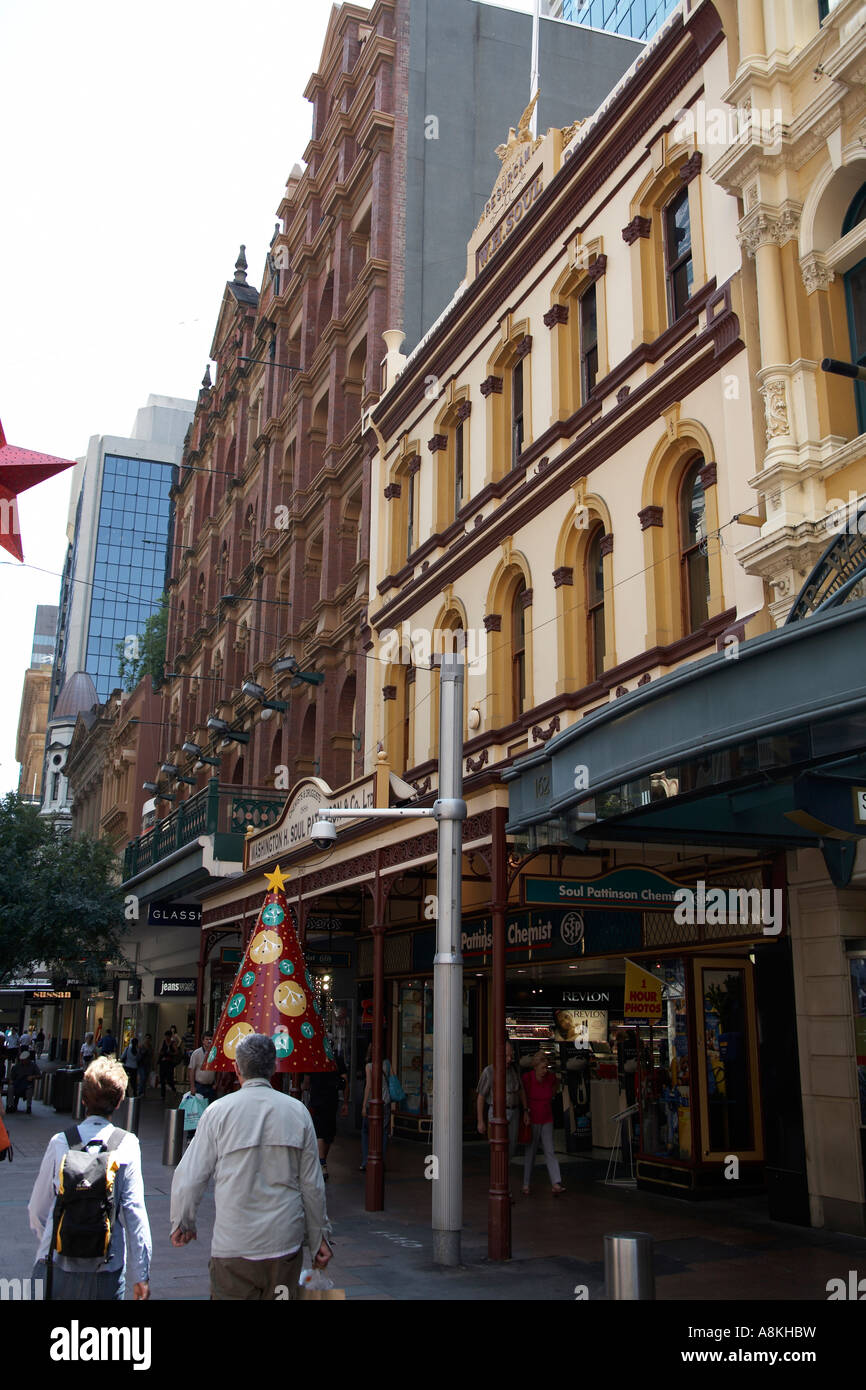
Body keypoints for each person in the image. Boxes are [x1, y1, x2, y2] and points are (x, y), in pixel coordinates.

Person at [170, 1032, 332, 1301]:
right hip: (284, 1244)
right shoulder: (297, 1112)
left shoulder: (218, 1112)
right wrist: (319, 1238)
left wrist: (182, 1221)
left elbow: (191, 1176)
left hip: (233, 1244)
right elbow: (312, 1185)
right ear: (273, 1068)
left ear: (237, 1068)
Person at [28, 1056, 151, 1300]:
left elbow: (36, 1209)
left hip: (57, 1265)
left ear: (83, 1100)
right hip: (107, 1268)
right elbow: (135, 1213)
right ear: (119, 1102)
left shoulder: (60, 1142)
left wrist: (57, 1238)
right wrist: (141, 1275)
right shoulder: (127, 1145)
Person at [303, 1044, 349, 1182]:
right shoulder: (336, 1058)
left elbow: (306, 1082)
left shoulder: (313, 1057)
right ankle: (322, 1163)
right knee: (327, 1132)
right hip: (332, 1100)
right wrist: (345, 1102)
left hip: (317, 1099)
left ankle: (321, 1163)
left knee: (321, 1132)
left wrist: (303, 1088)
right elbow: (345, 1081)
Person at [476, 1041, 529, 1159]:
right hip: (497, 1111)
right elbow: (481, 1097)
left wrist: (525, 1110)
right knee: (498, 1146)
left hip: (514, 1110)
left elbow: (521, 1091)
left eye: (511, 1056)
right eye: (506, 1056)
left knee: (512, 1145)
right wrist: (480, 1121)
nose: (509, 1059)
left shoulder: (514, 1070)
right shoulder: (489, 1072)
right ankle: (499, 1170)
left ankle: (507, 1167)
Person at [522, 1051, 564, 1196]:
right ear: (535, 1067)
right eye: (542, 1068)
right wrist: (525, 1111)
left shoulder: (550, 1078)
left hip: (546, 1117)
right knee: (531, 1152)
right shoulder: (527, 1079)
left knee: (550, 1150)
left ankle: (556, 1182)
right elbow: (523, 1095)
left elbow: (556, 1084)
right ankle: (526, 1183)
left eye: (546, 1067)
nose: (545, 1071)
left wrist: (552, 1093)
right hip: (533, 1117)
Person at [360, 1045, 391, 1172]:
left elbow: (369, 1086)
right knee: (383, 1132)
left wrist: (363, 1105)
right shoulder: (387, 1064)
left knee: (366, 1131)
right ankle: (381, 1159)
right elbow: (391, 1079)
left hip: (372, 1103)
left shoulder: (369, 1066)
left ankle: (366, 1160)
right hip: (386, 1101)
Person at [7, 1047, 41, 1113]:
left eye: (24, 1060)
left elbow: (39, 1075)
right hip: (17, 1083)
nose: (23, 1062)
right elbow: (12, 1076)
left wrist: (32, 1077)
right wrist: (11, 1080)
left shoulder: (33, 1066)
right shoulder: (17, 1066)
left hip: (27, 1084)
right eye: (22, 1060)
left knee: (29, 1090)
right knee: (11, 1088)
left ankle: (28, 1107)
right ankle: (10, 1105)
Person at [188, 1031, 216, 1103]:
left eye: (210, 1039)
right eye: (206, 1039)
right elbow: (191, 1070)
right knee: (199, 1109)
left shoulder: (215, 1053)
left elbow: (218, 1069)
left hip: (211, 1086)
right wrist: (192, 1086)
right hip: (199, 1086)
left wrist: (217, 1083)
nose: (209, 1041)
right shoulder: (196, 1053)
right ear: (203, 1041)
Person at [158, 1030, 178, 1101]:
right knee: (162, 1079)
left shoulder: (173, 1043)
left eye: (168, 1036)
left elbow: (176, 1052)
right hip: (163, 1063)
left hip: (169, 1063)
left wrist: (170, 1053)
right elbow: (159, 1051)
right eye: (166, 1036)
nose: (167, 1038)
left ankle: (173, 1089)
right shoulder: (163, 1042)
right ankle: (162, 1095)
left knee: (169, 1079)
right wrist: (162, 1053)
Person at [137, 1034, 153, 1098]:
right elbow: (139, 1055)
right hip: (142, 1064)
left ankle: (143, 1091)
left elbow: (152, 1056)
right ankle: (140, 1092)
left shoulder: (150, 1047)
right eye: (147, 1038)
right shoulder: (141, 1046)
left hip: (147, 1064)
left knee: (145, 1078)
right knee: (142, 1078)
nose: (147, 1039)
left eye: (149, 1038)